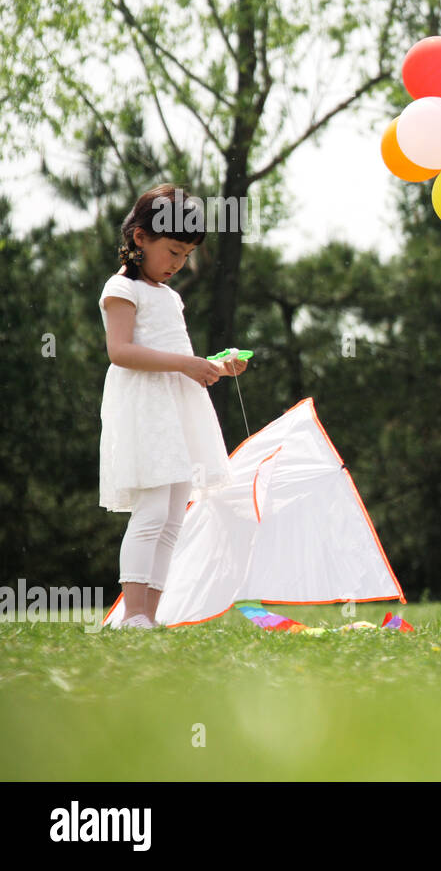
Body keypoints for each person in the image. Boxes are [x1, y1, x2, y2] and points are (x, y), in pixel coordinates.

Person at [98, 184, 245, 629]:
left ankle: (149, 616)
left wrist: (214, 366)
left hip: (177, 410)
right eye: (173, 251)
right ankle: (132, 615)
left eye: (185, 255)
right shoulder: (121, 288)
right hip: (145, 410)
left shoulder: (169, 295)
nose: (178, 263)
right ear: (140, 238)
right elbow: (121, 351)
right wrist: (186, 364)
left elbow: (176, 353)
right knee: (152, 511)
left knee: (172, 516)